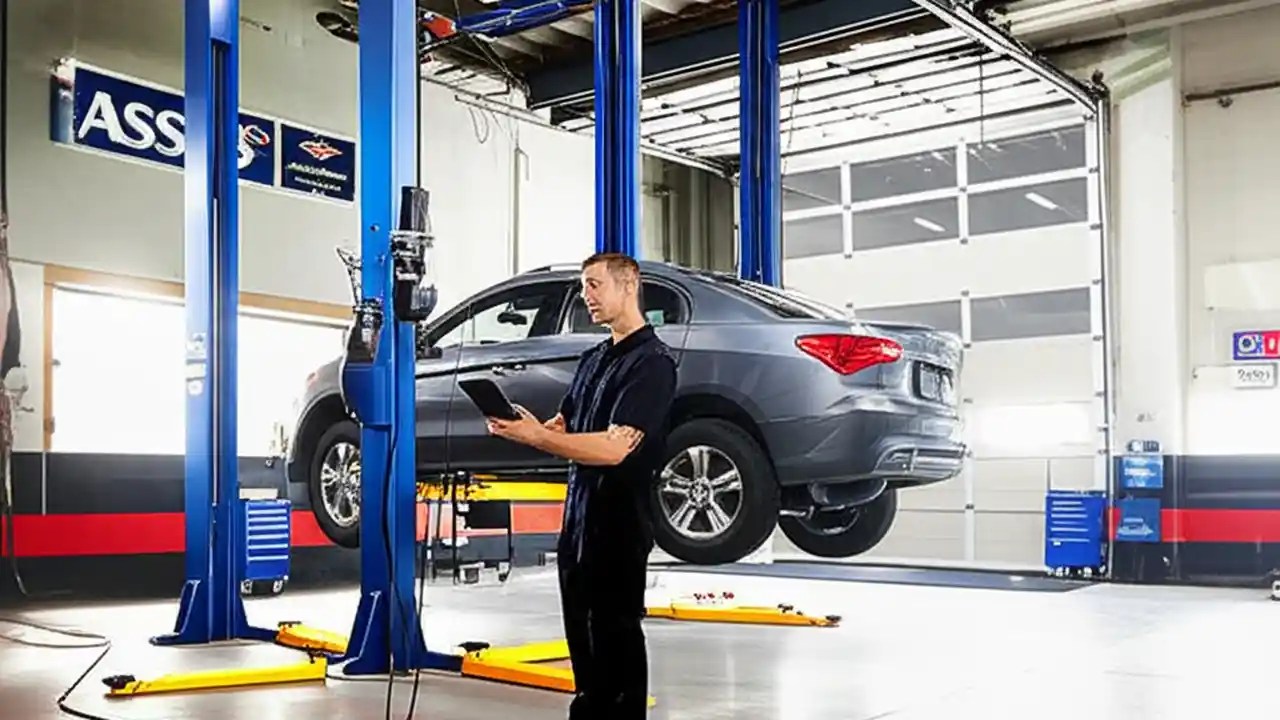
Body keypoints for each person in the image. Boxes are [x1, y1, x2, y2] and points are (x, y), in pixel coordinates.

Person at [485, 252, 677, 719]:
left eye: (595, 285)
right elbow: (565, 426)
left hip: (619, 523)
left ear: (629, 285)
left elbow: (616, 449)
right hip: (578, 522)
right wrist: (531, 427)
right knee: (583, 643)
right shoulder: (593, 359)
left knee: (616, 638)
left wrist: (542, 436)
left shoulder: (652, 364)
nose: (585, 296)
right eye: (584, 285)